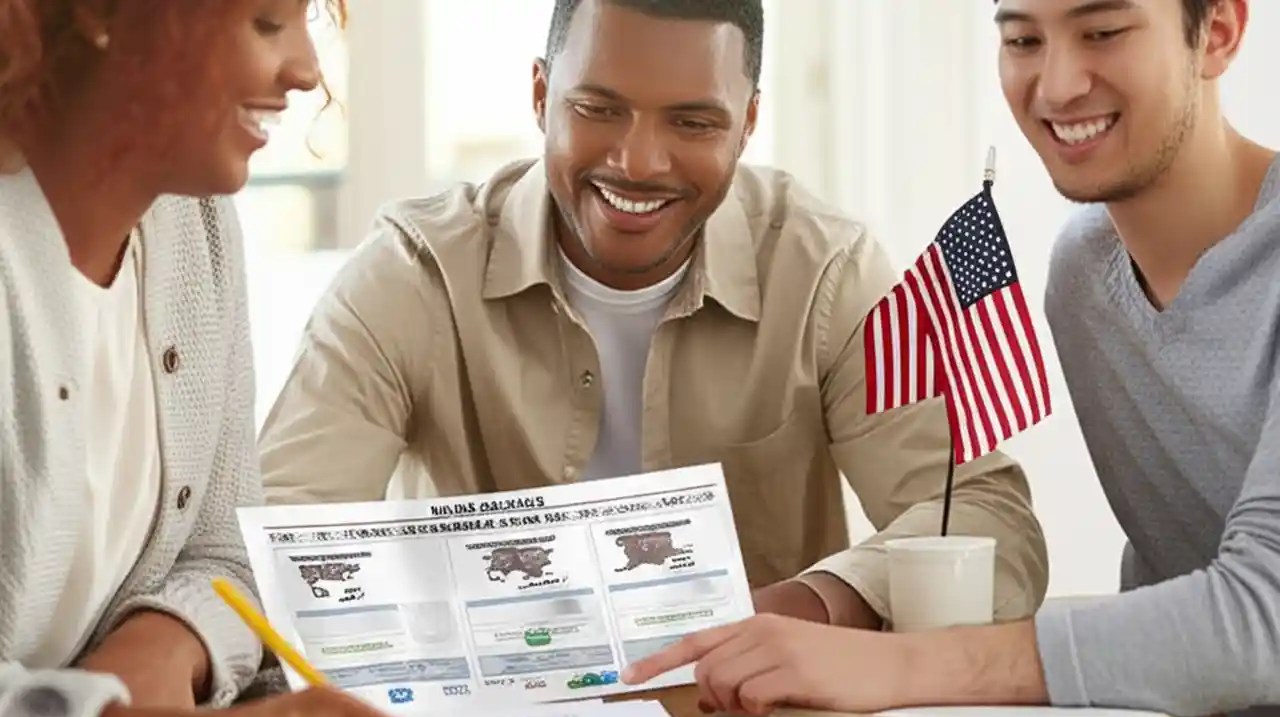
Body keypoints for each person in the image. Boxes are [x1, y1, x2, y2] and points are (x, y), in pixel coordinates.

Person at [256, 0, 1049, 639]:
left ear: (748, 122)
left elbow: (985, 519)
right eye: (598, 109)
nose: (637, 162)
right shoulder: (413, 272)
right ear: (540, 96)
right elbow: (275, 535)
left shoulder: (823, 273)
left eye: (693, 123)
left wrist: (806, 609)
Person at [622, 0, 1280, 717]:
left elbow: (1264, 618)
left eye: (1103, 33)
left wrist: (893, 663)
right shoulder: (1087, 272)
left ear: (1218, 33)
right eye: (1024, 39)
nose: (1056, 86)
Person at [0, 1, 391, 717]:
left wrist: (169, 641)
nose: (306, 71)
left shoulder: (194, 223)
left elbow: (227, 553)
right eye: (267, 23)